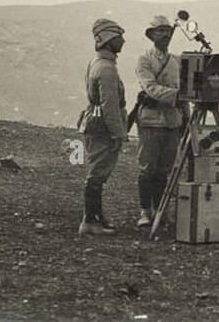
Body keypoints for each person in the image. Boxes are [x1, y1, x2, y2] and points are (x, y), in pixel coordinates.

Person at [134, 15, 185, 228]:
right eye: (160, 31)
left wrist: (185, 116)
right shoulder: (145, 60)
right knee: (148, 168)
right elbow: (151, 88)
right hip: (150, 122)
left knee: (164, 169)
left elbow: (185, 92)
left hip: (172, 122)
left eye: (168, 31)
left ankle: (160, 210)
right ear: (151, 35)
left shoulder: (176, 61)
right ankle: (145, 211)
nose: (165, 35)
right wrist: (178, 97)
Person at [78, 18, 127, 236]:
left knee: (97, 172)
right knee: (98, 173)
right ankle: (90, 221)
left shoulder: (97, 63)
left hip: (95, 123)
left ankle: (95, 216)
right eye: (118, 37)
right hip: (101, 127)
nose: (123, 41)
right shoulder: (107, 69)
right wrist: (118, 133)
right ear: (108, 40)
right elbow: (110, 105)